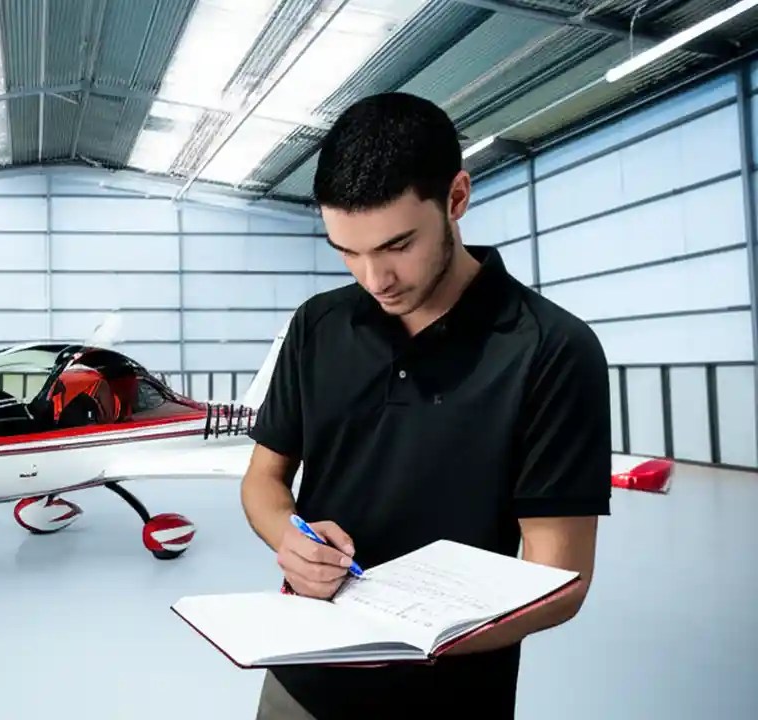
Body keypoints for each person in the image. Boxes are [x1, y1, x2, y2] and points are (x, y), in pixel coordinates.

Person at [241, 91, 612, 718]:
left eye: (396, 246)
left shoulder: (552, 350)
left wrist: (413, 639)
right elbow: (263, 482)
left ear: (457, 199)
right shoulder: (317, 325)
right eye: (347, 252)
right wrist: (290, 538)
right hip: (302, 677)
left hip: (452, 697)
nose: (373, 279)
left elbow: (560, 581)